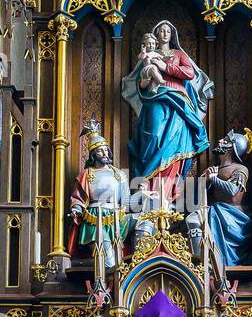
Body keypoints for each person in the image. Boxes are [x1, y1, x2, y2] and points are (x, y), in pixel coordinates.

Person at [121, 20, 213, 204]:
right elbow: (141, 81)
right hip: (155, 99)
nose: (165, 34)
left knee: (176, 142)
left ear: (172, 35)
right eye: (161, 31)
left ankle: (167, 193)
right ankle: (147, 185)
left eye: (168, 31)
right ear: (156, 34)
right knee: (153, 136)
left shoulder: (178, 54)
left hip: (178, 100)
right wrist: (145, 82)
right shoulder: (149, 54)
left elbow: (189, 73)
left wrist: (166, 68)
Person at [188, 128, 252, 267]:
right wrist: (205, 181)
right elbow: (199, 199)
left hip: (231, 216)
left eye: (225, 140)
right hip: (214, 210)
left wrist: (214, 179)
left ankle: (209, 263)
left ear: (233, 147)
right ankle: (200, 263)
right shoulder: (215, 169)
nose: (220, 141)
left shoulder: (240, 169)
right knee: (192, 219)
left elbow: (233, 191)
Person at [68, 121, 131, 268]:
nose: (105, 153)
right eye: (100, 151)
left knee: (143, 222)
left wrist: (142, 195)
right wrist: (76, 208)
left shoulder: (119, 174)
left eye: (106, 150)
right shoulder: (86, 174)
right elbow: (78, 197)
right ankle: (106, 287)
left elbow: (127, 201)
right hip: (94, 219)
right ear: (93, 154)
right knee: (108, 259)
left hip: (117, 218)